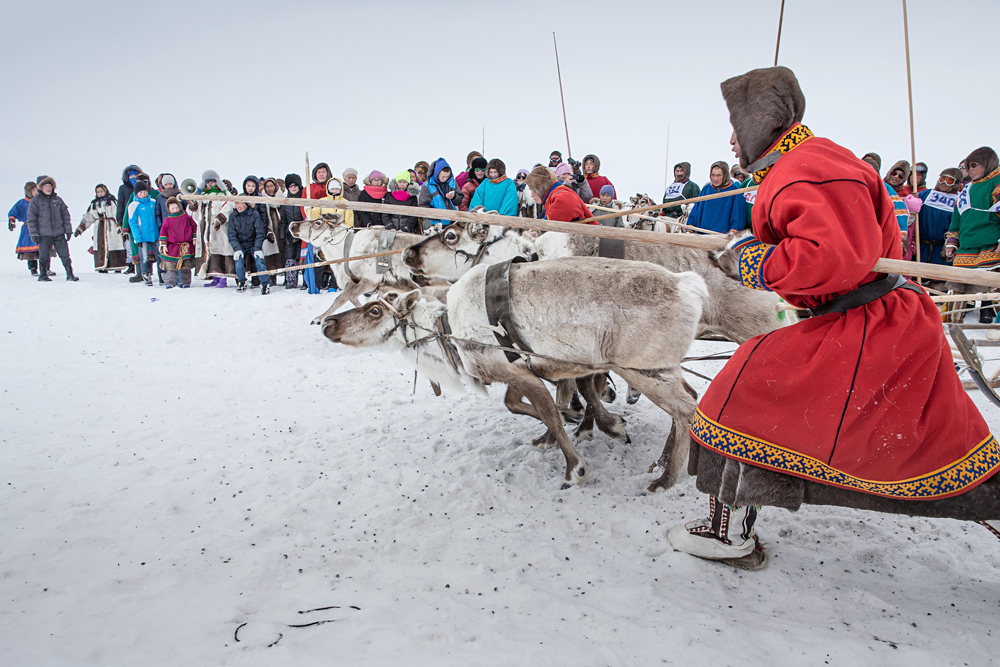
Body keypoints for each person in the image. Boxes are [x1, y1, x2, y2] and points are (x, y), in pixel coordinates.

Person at [668, 66, 996, 565]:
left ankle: (726, 531)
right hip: (866, 319)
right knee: (933, 441)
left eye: (736, 125)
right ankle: (732, 521)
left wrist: (751, 259)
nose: (730, 140)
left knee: (736, 396)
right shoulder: (804, 162)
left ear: (759, 124)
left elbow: (831, 258)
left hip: (868, 326)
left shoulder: (808, 166)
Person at [945, 147, 1000, 322]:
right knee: (958, 286)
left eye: (974, 165)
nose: (970, 170)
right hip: (966, 247)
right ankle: (953, 320)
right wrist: (952, 242)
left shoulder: (997, 182)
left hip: (991, 244)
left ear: (987, 163)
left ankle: (991, 319)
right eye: (968, 166)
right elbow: (956, 219)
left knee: (993, 287)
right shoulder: (965, 190)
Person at [189, 169, 235, 287]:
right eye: (207, 181)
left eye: (212, 181)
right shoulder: (202, 196)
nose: (210, 183)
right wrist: (194, 202)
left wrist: (220, 218)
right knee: (210, 252)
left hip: (219, 229)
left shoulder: (223, 195)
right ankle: (214, 277)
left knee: (221, 251)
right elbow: (194, 213)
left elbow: (229, 206)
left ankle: (223, 279)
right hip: (205, 229)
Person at [27, 176, 77, 282]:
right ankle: (43, 274)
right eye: (46, 186)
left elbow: (65, 216)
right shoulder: (36, 201)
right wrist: (34, 233)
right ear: (41, 188)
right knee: (44, 256)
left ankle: (70, 274)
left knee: (65, 255)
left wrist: (68, 230)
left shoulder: (58, 200)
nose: (48, 188)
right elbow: (31, 219)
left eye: (50, 185)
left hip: (59, 233)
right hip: (44, 234)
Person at [913, 167, 962, 267]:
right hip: (921, 247)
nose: (944, 183)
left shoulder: (959, 200)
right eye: (942, 179)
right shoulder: (926, 195)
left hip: (942, 250)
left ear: (956, 183)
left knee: (938, 279)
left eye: (949, 181)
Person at [74, 184, 127, 272]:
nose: (100, 193)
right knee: (100, 245)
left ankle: (117, 266)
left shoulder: (112, 201)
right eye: (98, 192)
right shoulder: (94, 204)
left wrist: (120, 225)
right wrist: (80, 229)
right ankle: (102, 266)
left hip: (112, 227)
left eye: (101, 191)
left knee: (114, 244)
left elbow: (118, 213)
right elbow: (89, 217)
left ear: (105, 191)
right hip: (99, 228)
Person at [685, 161, 747, 234]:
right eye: (713, 175)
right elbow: (696, 210)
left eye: (718, 175)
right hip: (703, 234)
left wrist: (733, 232)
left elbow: (738, 216)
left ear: (725, 175)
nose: (715, 179)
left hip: (722, 237)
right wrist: (690, 227)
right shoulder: (706, 189)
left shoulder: (735, 192)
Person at [227, 200, 270, 294]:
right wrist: (237, 249)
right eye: (237, 203)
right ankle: (241, 281)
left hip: (253, 243)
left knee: (259, 261)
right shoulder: (233, 216)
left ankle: (265, 283)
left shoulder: (254, 214)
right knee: (238, 262)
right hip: (240, 245)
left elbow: (260, 232)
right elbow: (231, 235)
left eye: (242, 203)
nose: (239, 206)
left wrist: (257, 248)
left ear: (247, 205)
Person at [524, 166, 594, 223]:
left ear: (539, 188)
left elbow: (550, 225)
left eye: (532, 190)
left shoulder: (562, 197)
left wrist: (537, 230)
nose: (531, 195)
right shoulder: (553, 196)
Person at [127, 181, 162, 286]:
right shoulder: (134, 205)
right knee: (144, 257)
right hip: (142, 237)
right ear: (136, 193)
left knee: (159, 256)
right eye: (140, 192)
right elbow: (133, 223)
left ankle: (162, 275)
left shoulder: (153, 202)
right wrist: (137, 237)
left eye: (145, 191)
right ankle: (146, 275)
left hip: (155, 235)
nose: (143, 194)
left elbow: (158, 217)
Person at [157, 197, 197, 288]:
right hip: (172, 246)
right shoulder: (167, 220)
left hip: (185, 246)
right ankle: (170, 282)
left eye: (176, 207)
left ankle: (185, 282)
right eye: (172, 208)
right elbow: (163, 232)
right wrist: (163, 244)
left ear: (179, 207)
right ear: (169, 209)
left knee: (185, 265)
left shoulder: (186, 217)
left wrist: (194, 238)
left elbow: (195, 227)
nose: (175, 209)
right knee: (171, 266)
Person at [8, 181, 42, 275]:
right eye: (34, 190)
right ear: (28, 191)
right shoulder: (22, 203)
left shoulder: (41, 201)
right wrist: (11, 221)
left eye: (37, 190)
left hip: (42, 228)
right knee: (31, 251)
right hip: (28, 229)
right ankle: (33, 268)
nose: (36, 192)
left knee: (44, 249)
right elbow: (13, 212)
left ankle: (46, 268)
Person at [418, 158, 462, 228]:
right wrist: (436, 215)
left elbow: (460, 200)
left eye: (447, 177)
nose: (445, 179)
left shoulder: (452, 182)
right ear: (437, 174)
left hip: (453, 223)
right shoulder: (427, 186)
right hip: (436, 225)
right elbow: (423, 205)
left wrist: (454, 197)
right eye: (443, 177)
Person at [279, 173, 305, 289]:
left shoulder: (304, 199)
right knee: (290, 258)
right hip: (290, 234)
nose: (293, 188)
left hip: (303, 234)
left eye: (295, 185)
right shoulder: (286, 202)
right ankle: (290, 281)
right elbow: (283, 221)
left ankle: (306, 282)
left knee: (303, 259)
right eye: (290, 186)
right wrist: (282, 235)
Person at [116, 164, 141, 274]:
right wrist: (120, 220)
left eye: (135, 175)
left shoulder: (141, 187)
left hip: (140, 218)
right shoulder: (123, 188)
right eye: (130, 176)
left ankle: (143, 267)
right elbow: (120, 204)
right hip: (129, 218)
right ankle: (131, 265)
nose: (133, 178)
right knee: (129, 244)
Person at [260, 178, 286, 275]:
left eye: (271, 186)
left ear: (275, 187)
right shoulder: (263, 201)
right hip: (270, 231)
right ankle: (271, 275)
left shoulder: (282, 200)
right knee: (269, 251)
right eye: (267, 187)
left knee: (282, 251)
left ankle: (283, 273)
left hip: (281, 231)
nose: (270, 189)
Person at [882, 161, 911, 241]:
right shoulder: (881, 186)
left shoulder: (906, 194)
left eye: (900, 176)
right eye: (894, 173)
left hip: (895, 230)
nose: (896, 177)